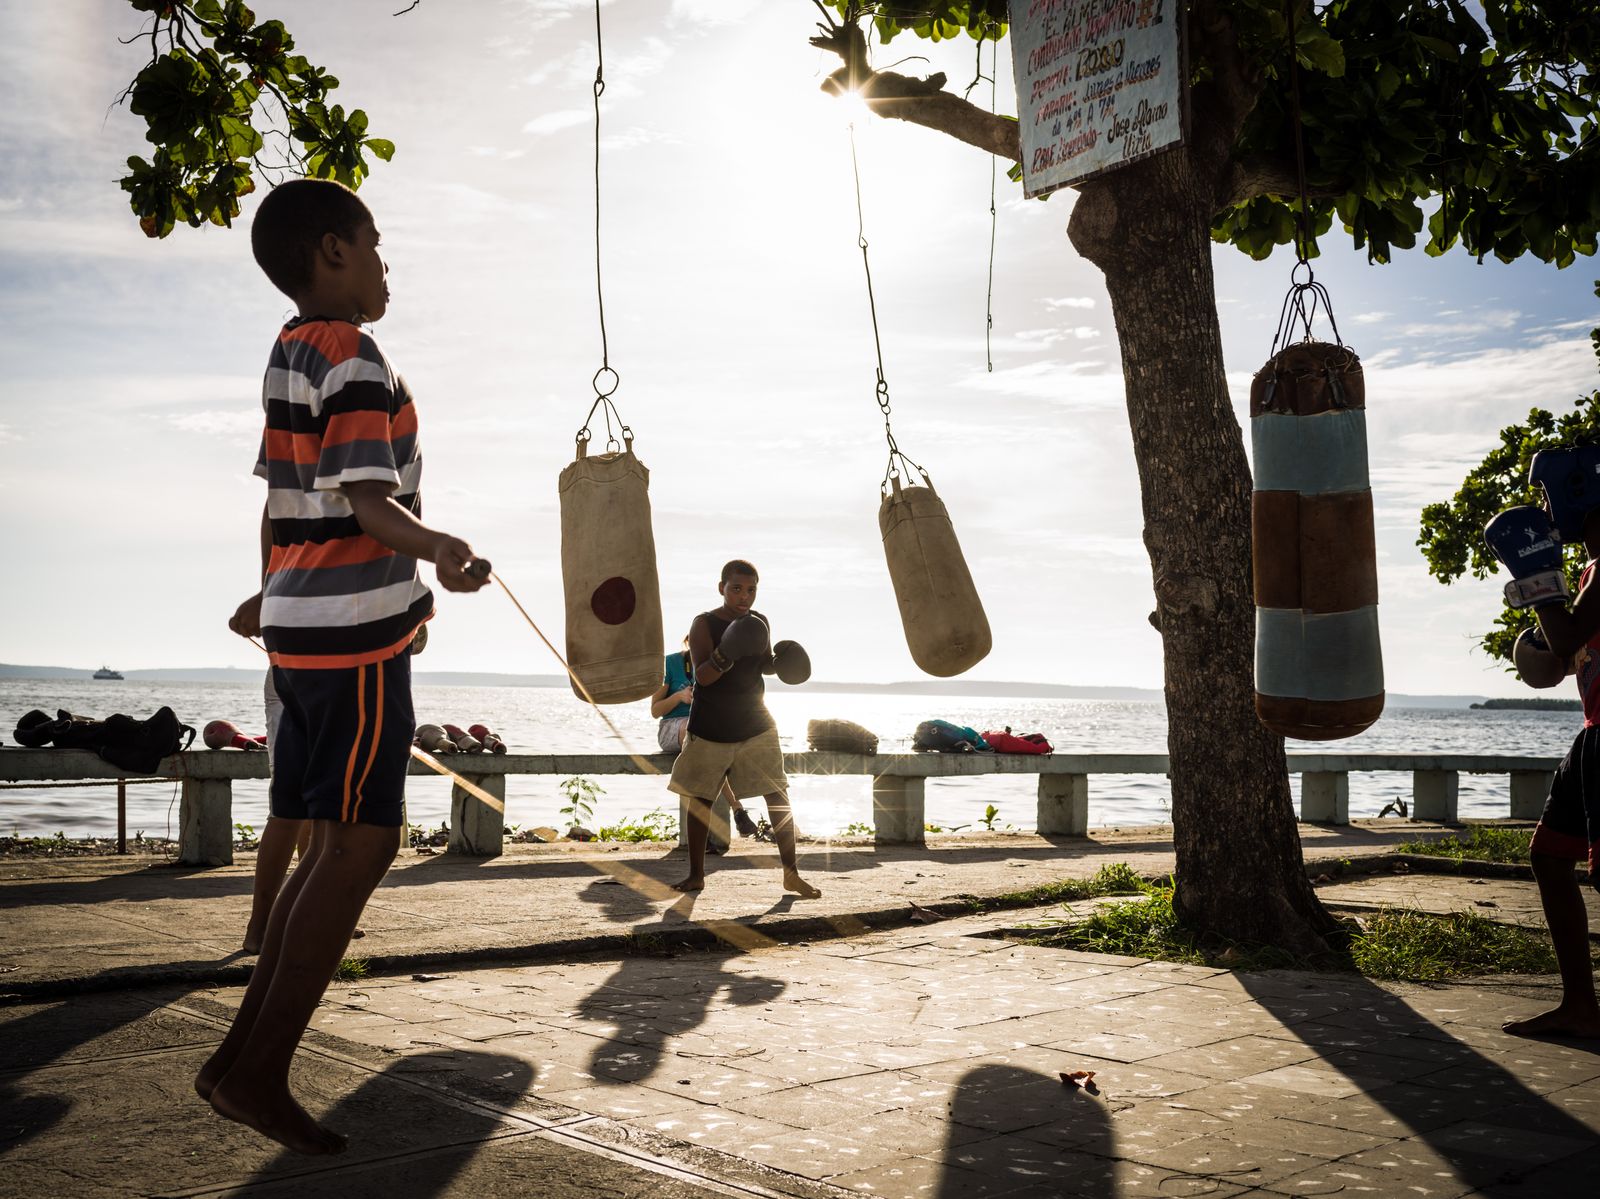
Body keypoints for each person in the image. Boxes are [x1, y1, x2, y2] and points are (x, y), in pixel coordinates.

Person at [195, 177, 489, 1154]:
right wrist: (438, 544)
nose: (384, 262)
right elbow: (368, 501)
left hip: (301, 634)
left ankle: (237, 1061)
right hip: (355, 638)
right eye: (374, 244)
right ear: (332, 253)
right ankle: (261, 1069)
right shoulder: (356, 353)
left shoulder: (287, 351)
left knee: (324, 846)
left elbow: (285, 505)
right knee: (359, 846)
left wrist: (269, 594)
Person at [1485, 488, 1600, 1039]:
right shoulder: (1590, 569)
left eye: (1557, 497)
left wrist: (1536, 573)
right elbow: (1558, 656)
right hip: (1592, 736)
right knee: (1550, 859)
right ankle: (1580, 1006)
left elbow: (1568, 634)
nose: (1551, 513)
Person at [668, 560, 819, 898]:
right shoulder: (703, 624)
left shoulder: (759, 622)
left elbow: (762, 664)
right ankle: (695, 875)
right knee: (700, 798)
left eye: (751, 589)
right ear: (721, 587)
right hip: (711, 724)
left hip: (755, 722)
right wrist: (726, 652)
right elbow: (703, 677)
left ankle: (791, 874)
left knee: (777, 794)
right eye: (736, 588)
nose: (744, 596)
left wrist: (780, 664)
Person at [651, 638, 758, 853]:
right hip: (673, 729)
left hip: (703, 734)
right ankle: (737, 808)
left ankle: (703, 836)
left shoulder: (718, 667)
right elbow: (655, 710)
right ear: (688, 642)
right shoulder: (670, 663)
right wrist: (679, 697)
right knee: (702, 743)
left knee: (710, 753)